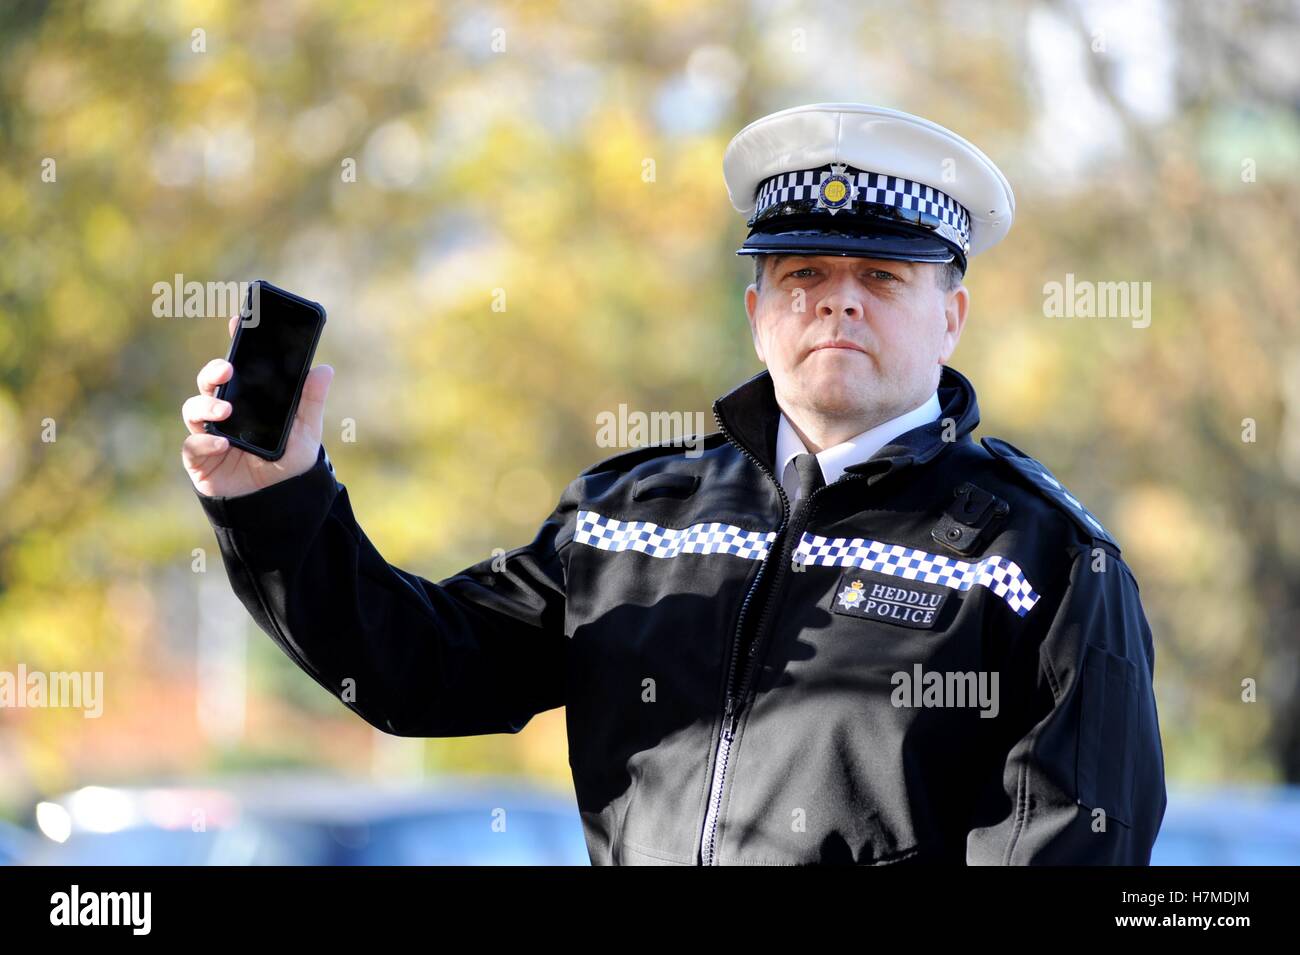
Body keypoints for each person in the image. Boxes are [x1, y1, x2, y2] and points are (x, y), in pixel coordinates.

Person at [180, 103, 1167, 865]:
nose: (836, 301)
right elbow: (413, 671)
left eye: (881, 276)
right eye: (803, 274)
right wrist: (276, 497)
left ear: (950, 316)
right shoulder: (629, 521)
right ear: (755, 313)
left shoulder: (1043, 563)